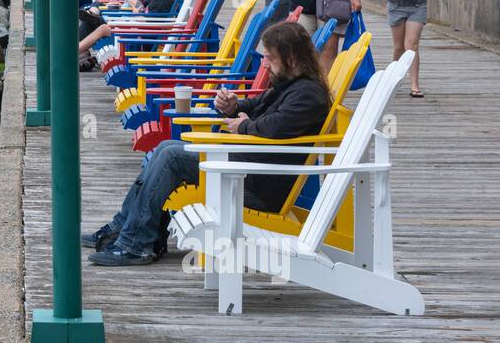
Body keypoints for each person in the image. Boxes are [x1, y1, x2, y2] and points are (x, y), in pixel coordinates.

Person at [83, 21, 333, 266]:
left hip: (258, 186)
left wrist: (244, 126)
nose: (263, 63)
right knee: (166, 147)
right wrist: (233, 107)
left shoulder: (309, 94)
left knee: (171, 156)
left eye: (269, 58)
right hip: (246, 170)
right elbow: (257, 107)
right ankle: (122, 229)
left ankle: (136, 244)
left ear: (291, 58)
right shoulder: (290, 86)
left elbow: (272, 126)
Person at [77, 0, 174, 55]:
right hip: (135, 31)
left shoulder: (162, 2)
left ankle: (75, 51)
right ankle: (77, 50)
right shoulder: (156, 0)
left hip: (141, 39)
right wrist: (138, 3)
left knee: (100, 27)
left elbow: (142, 18)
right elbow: (142, 13)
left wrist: (134, 4)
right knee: (92, 23)